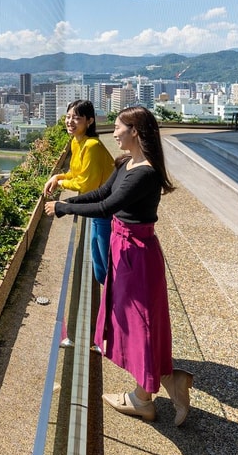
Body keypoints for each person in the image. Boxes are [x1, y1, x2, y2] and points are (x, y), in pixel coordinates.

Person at [43, 106, 193, 426]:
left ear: (135, 131)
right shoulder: (126, 163)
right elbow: (100, 192)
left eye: (118, 127)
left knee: (140, 323)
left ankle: (144, 397)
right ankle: (166, 381)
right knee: (134, 321)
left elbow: (108, 205)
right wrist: (67, 202)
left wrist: (63, 207)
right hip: (124, 250)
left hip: (137, 254)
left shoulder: (145, 173)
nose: (113, 133)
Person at [43, 100, 114, 284]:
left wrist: (61, 185)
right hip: (96, 208)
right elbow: (75, 173)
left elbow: (86, 183)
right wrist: (58, 177)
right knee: (99, 263)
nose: (70, 122)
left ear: (89, 121)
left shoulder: (92, 146)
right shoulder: (77, 142)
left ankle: (115, 307)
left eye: (76, 118)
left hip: (107, 210)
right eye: (68, 117)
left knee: (107, 265)